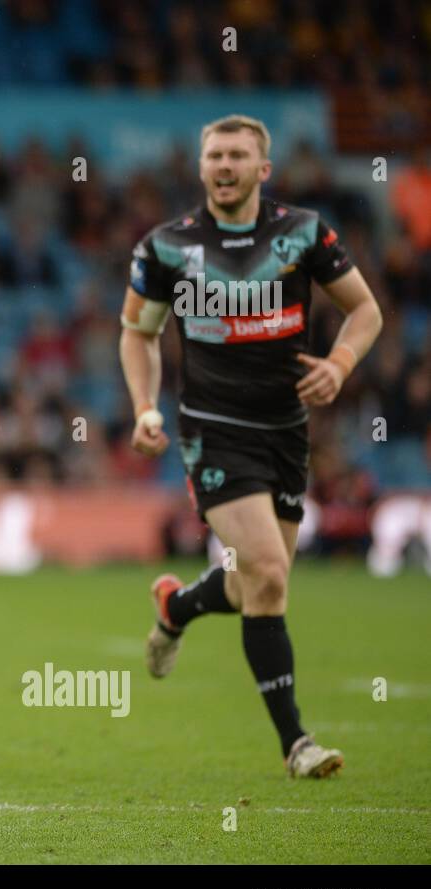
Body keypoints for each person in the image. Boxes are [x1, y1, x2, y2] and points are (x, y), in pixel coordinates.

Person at [119, 116, 383, 778]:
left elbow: (366, 310)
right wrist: (144, 406)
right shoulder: (168, 247)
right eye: (214, 154)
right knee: (267, 572)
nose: (225, 164)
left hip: (287, 431)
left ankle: (176, 606)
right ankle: (298, 743)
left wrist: (341, 363)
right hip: (212, 428)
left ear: (264, 169)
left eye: (239, 154)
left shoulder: (303, 232)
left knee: (249, 585)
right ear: (200, 166)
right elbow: (137, 332)